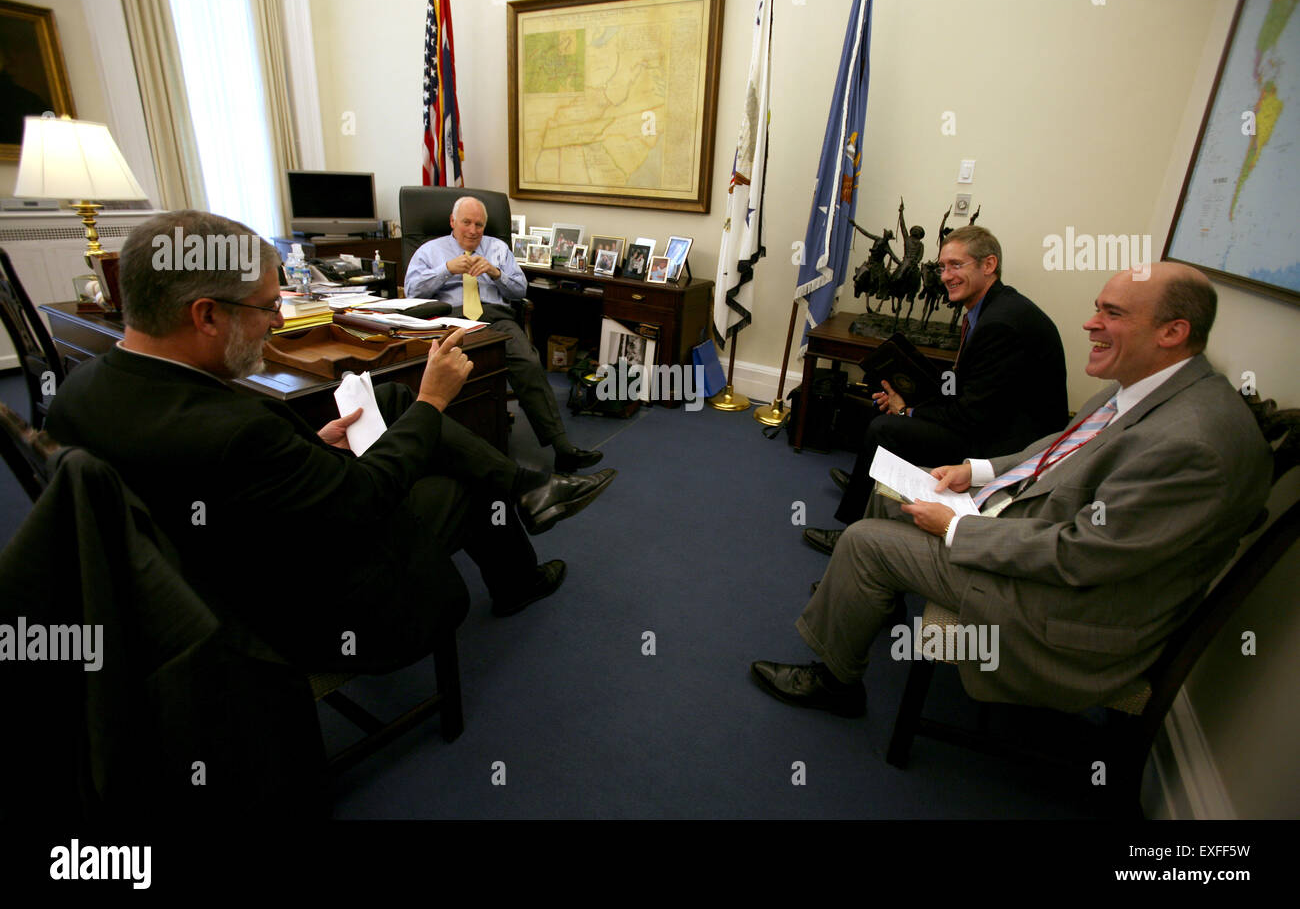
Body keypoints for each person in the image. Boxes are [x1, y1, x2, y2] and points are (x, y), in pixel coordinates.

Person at [45, 210, 617, 674]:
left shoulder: (74, 397)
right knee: (463, 480)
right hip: (301, 601)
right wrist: (433, 400)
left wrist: (312, 444)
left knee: (386, 403)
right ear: (206, 316)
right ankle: (518, 542)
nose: (275, 321)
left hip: (203, 569)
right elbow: (364, 498)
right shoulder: (238, 429)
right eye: (269, 307)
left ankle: (528, 486)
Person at [753, 262, 1272, 716]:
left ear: (1172, 331)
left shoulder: (1194, 444)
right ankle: (869, 600)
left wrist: (959, 529)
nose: (1091, 323)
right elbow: (1057, 447)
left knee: (867, 542)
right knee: (898, 491)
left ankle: (835, 683)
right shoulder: (1145, 390)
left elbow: (1084, 557)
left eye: (1112, 313)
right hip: (1035, 527)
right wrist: (975, 472)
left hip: (1066, 610)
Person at [803, 226, 1068, 556]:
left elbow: (972, 414)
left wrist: (909, 410)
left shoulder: (1001, 323)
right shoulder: (991, 308)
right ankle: (866, 484)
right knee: (883, 401)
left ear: (989, 265)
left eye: (956, 265)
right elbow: (967, 385)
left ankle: (852, 528)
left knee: (886, 427)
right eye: (942, 267)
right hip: (992, 417)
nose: (945, 276)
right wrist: (910, 398)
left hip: (1008, 445)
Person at [404, 196, 603, 472]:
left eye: (479, 224)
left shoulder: (497, 248)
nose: (473, 230)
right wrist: (446, 269)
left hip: (496, 317)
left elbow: (520, 290)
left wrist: (496, 273)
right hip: (450, 319)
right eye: (466, 223)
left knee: (528, 362)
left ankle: (562, 447)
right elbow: (412, 291)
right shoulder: (430, 251)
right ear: (452, 222)